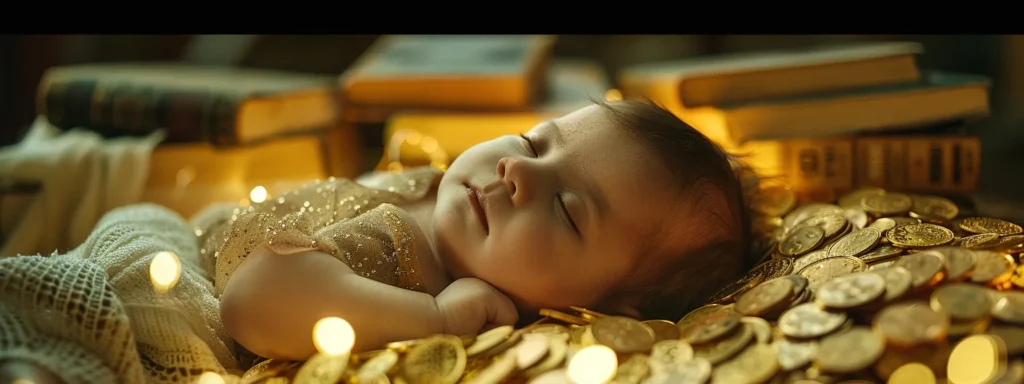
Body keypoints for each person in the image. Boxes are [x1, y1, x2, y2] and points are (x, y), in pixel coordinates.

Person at [0, 99, 755, 383]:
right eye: (534, 140)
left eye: (567, 210)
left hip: (178, 303)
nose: (517, 173)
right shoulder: (430, 202)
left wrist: (437, 323)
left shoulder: (429, 286)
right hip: (168, 251)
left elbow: (256, 304)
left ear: (595, 311)